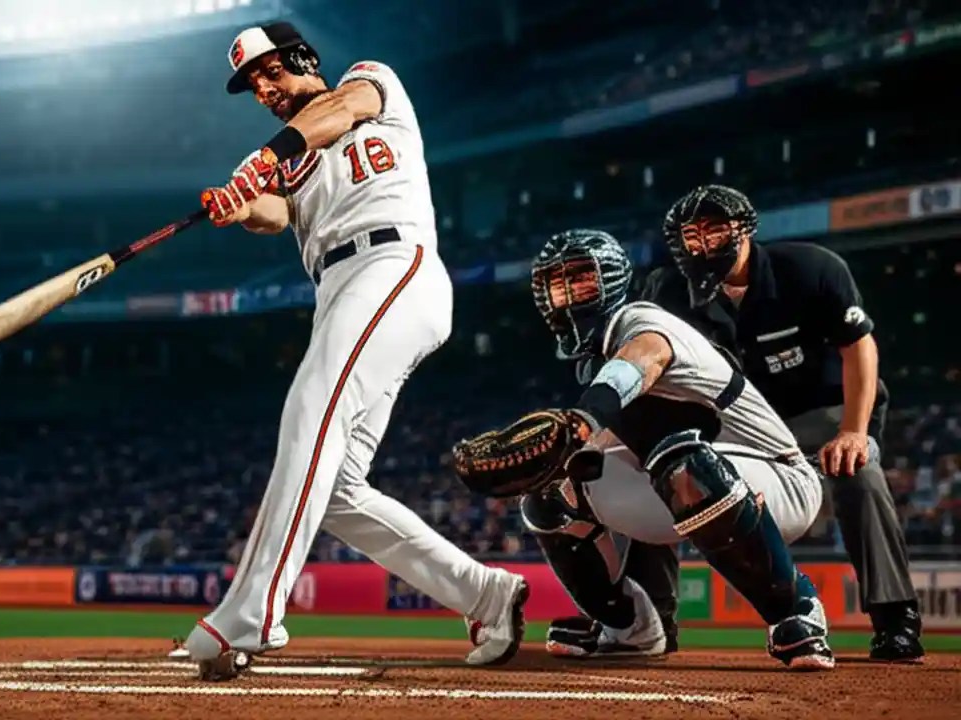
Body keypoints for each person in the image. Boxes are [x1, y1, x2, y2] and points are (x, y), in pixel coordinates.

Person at [180, 21, 527, 680]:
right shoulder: (294, 160)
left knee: (312, 405)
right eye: (253, 84)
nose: (265, 88)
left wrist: (264, 156)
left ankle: (251, 613)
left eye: (273, 71)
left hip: (394, 261)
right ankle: (488, 596)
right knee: (336, 490)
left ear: (305, 58)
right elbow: (279, 215)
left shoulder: (368, 80)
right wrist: (241, 205)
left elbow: (342, 111)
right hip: (337, 290)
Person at [454, 229, 833, 670]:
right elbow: (606, 445)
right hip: (685, 479)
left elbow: (646, 359)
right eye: (556, 285)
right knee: (549, 491)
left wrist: (581, 421)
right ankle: (629, 627)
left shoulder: (640, 322)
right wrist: (557, 460)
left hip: (781, 479)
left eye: (580, 278)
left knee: (683, 463)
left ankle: (795, 609)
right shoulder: (596, 362)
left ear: (612, 278)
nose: (568, 293)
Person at [644, 184, 923, 663]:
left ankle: (896, 620)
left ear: (745, 229)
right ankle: (651, 620)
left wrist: (855, 431)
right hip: (740, 423)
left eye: (714, 227)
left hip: (824, 414)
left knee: (860, 471)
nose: (702, 242)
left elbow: (860, 346)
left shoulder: (810, 268)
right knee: (662, 464)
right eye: (691, 234)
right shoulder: (666, 291)